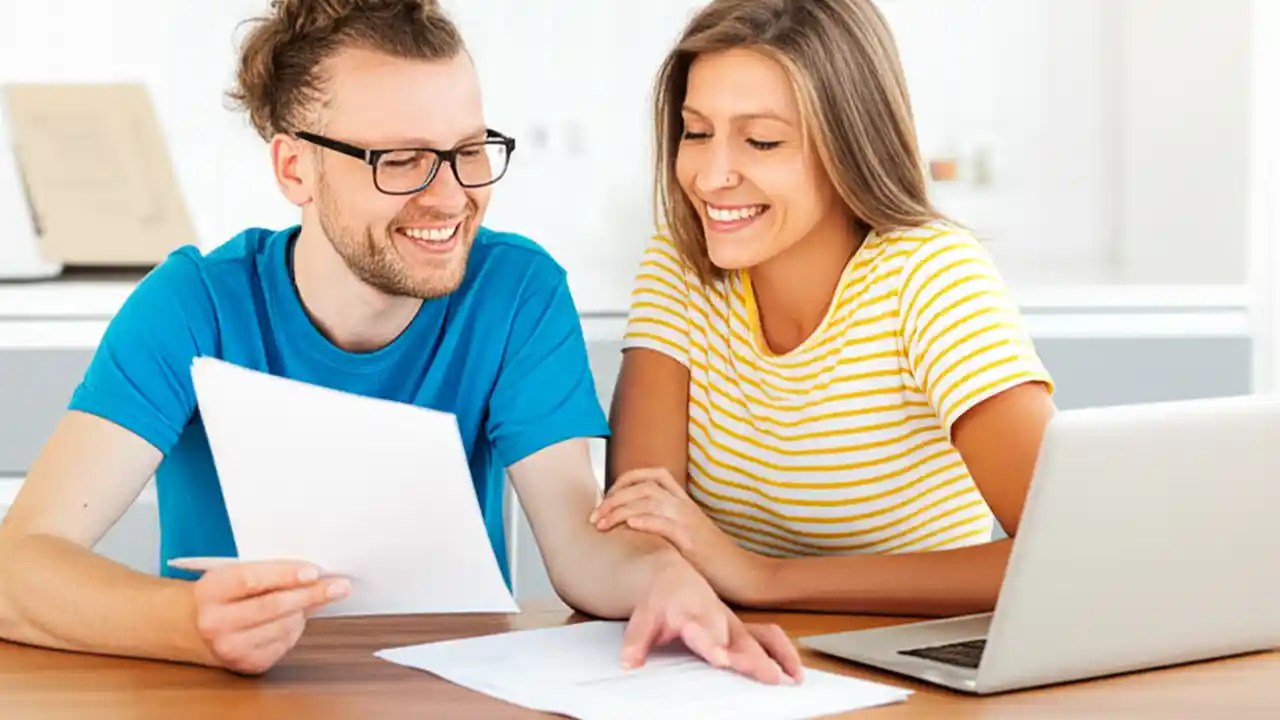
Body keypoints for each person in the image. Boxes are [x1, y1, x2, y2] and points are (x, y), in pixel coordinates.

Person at [0, 0, 801, 683]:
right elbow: (17, 566)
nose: (450, 196)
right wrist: (185, 624)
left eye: (467, 152)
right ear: (294, 169)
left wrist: (664, 580)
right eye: (402, 160)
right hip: (235, 699)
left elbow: (580, 545)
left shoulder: (515, 294)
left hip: (453, 692)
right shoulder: (192, 307)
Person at [594, 0, 1056, 617]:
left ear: (851, 144)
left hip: (909, 660)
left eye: (761, 141)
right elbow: (644, 523)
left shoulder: (931, 275)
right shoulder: (679, 266)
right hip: (729, 654)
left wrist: (766, 578)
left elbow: (1063, 553)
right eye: (697, 133)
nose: (710, 176)